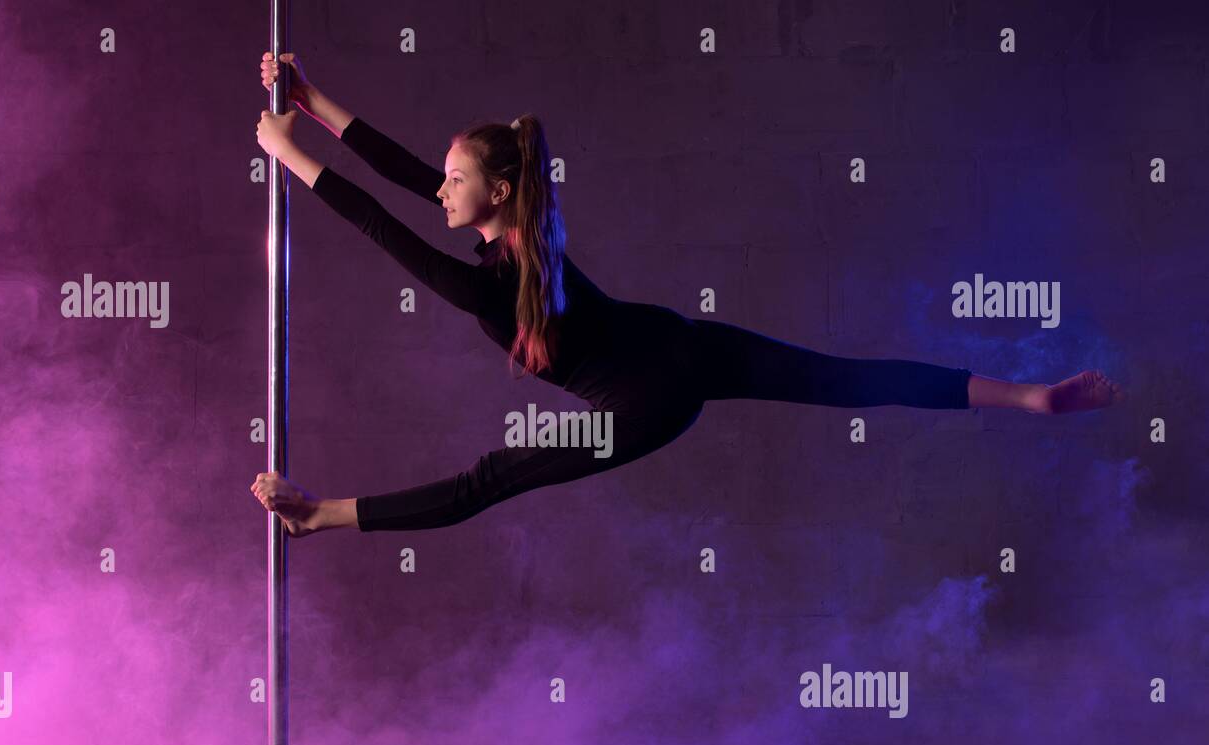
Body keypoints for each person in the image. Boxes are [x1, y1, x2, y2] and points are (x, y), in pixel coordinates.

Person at [249, 53, 1126, 536]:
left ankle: (318, 516)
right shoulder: (525, 231)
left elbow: (379, 220)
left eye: (456, 179)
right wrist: (314, 101)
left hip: (642, 401)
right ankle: (1034, 398)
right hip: (681, 343)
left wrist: (287, 154)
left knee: (489, 480)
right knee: (839, 377)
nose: (440, 189)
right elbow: (404, 178)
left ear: (499, 192)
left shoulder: (486, 284)